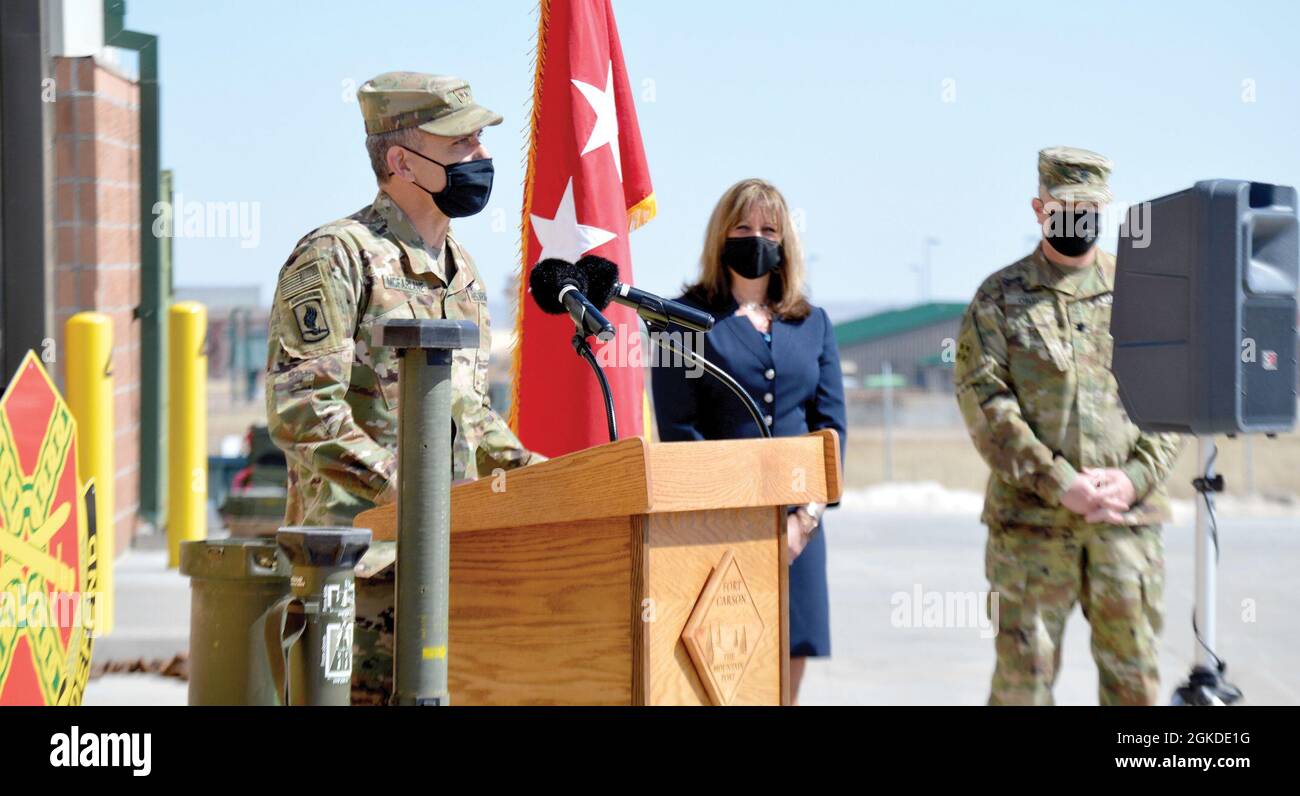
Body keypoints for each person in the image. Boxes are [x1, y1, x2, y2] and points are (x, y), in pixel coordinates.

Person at [265, 72, 545, 705]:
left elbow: (470, 412)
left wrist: (539, 479)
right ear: (400, 160)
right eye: (462, 145)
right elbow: (304, 409)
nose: (482, 158)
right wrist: (412, 494)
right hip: (358, 576)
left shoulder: (461, 269)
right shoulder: (338, 256)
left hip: (448, 573)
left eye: (480, 142)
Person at [954, 146, 1184, 706]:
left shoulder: (1144, 293)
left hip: (1124, 524)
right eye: (1065, 204)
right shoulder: (1000, 298)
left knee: (1135, 683)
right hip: (1031, 528)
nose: (1078, 216)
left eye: (1090, 206)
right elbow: (986, 403)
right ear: (1040, 208)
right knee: (1022, 684)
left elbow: (1171, 397)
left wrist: (1134, 477)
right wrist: (1060, 483)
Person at [651, 178, 846, 704]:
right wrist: (739, 521)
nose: (755, 237)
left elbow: (830, 428)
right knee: (721, 666)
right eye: (743, 227)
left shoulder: (814, 323)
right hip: (718, 531)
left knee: (788, 663)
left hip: (797, 535)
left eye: (768, 229)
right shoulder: (679, 322)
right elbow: (679, 431)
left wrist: (804, 520)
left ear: (785, 243)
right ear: (721, 235)